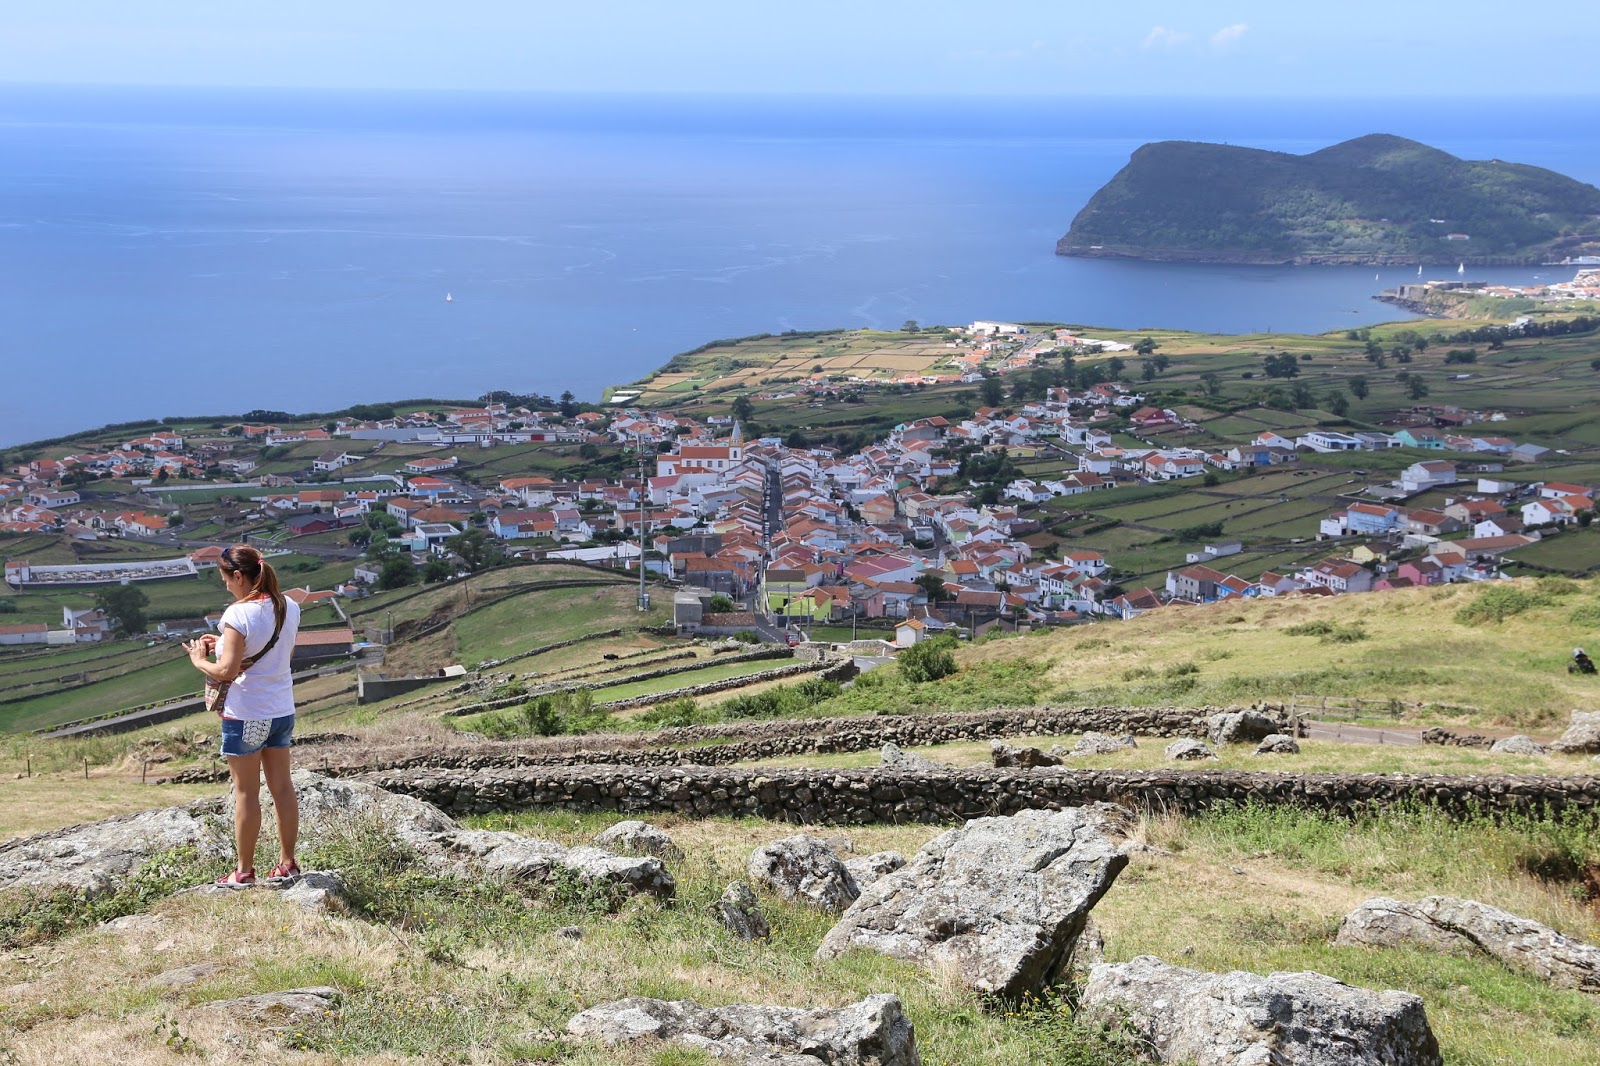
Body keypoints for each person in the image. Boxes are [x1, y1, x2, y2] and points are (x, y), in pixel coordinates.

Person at [184, 545, 303, 886]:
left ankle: (244, 872)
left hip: (247, 714)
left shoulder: (237, 614)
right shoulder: (289, 606)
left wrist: (199, 660)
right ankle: (288, 864)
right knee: (283, 788)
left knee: (246, 793)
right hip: (282, 710)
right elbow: (279, 654)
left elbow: (226, 671)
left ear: (238, 576)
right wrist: (225, 642)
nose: (225, 585)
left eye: (225, 578)